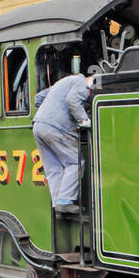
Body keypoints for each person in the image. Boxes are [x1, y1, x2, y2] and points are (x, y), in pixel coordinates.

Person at [32, 72, 94, 214]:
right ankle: (65, 200)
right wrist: (84, 120)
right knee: (75, 162)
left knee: (54, 167)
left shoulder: (61, 83)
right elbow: (73, 100)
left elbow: (38, 99)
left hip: (38, 125)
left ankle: (57, 203)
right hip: (56, 128)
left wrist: (52, 111)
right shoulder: (81, 83)